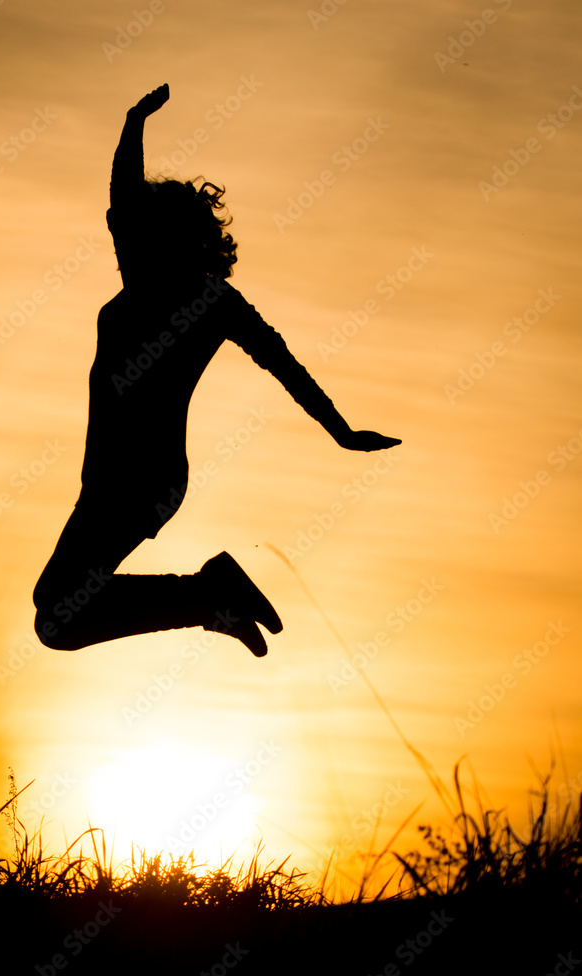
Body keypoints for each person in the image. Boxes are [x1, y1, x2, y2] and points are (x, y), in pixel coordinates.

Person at [33, 83, 400, 657]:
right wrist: (133, 122)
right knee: (55, 609)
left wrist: (341, 429)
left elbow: (284, 364)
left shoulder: (197, 297)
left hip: (139, 478)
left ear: (170, 236)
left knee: (58, 614)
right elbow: (123, 194)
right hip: (112, 478)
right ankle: (208, 597)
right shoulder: (167, 283)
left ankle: (208, 595)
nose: (130, 234)